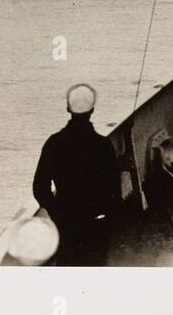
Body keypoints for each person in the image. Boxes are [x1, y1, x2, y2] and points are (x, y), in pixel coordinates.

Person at [32, 84, 119, 265]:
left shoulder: (54, 143)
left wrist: (57, 212)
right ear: (92, 110)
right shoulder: (103, 146)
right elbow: (113, 191)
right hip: (95, 223)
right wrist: (106, 219)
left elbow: (40, 188)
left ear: (68, 109)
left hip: (64, 223)